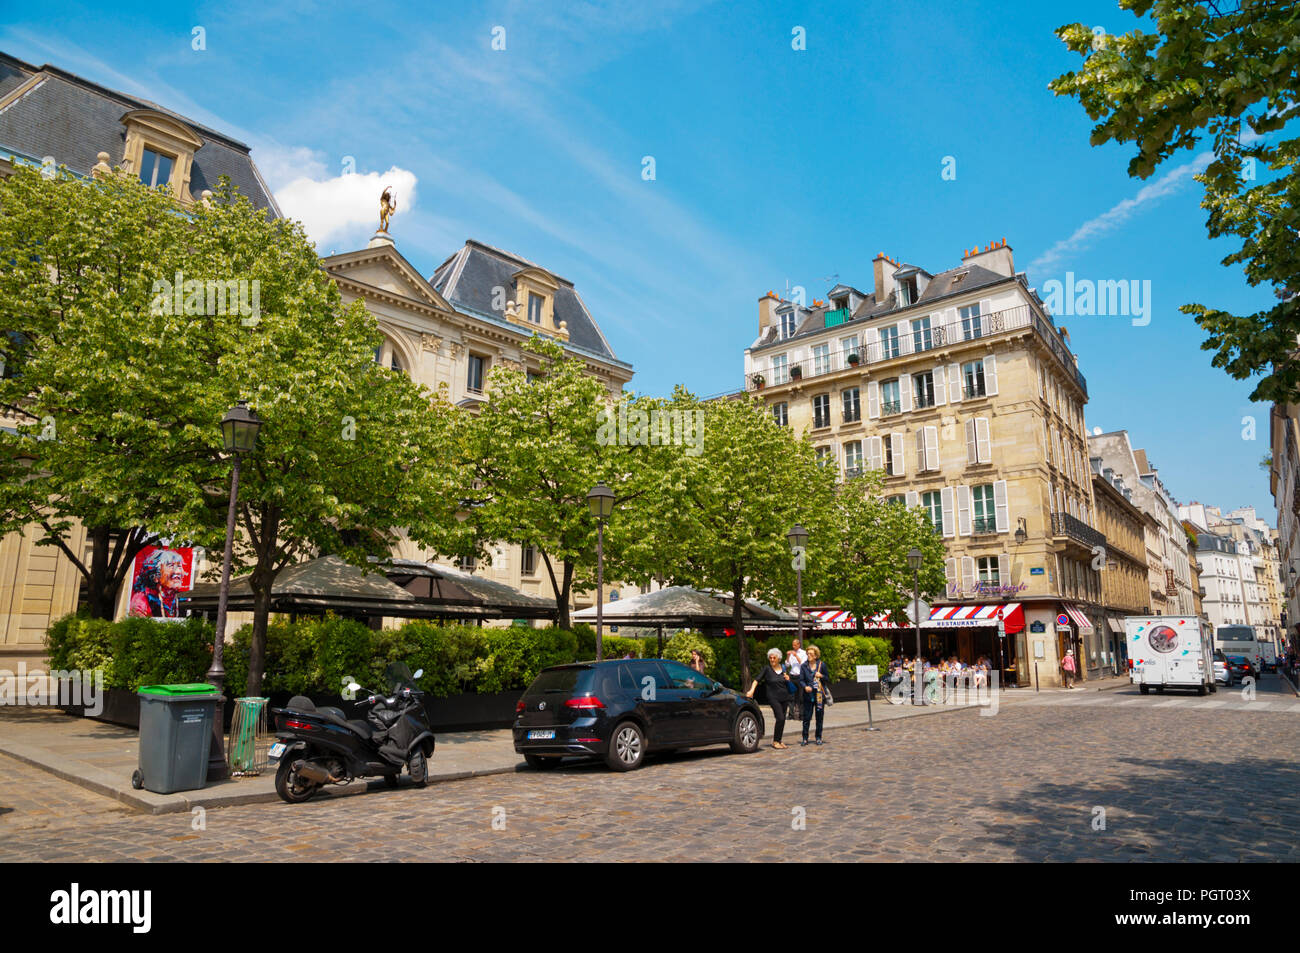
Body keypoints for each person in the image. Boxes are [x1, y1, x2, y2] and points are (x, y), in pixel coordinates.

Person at [747, 648, 793, 749]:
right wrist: (751, 690)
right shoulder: (767, 669)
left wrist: (788, 679)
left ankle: (779, 740)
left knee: (782, 720)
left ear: (779, 659)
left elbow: (788, 682)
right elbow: (756, 680)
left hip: (784, 697)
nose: (772, 660)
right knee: (780, 717)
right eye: (770, 658)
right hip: (773, 697)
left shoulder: (784, 668)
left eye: (774, 658)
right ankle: (775, 741)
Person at [130, 548, 186, 618]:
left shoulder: (182, 598)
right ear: (155, 576)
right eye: (171, 566)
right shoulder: (141, 600)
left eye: (179, 566)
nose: (178, 572)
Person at [798, 644, 831, 745]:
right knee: (806, 717)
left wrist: (821, 675)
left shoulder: (822, 665)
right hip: (808, 695)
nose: (808, 655)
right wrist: (805, 687)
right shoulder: (804, 666)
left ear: (816, 655)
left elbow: (827, 679)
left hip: (819, 695)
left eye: (811, 654)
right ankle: (805, 738)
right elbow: (801, 680)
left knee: (819, 717)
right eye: (807, 653)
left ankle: (818, 737)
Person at [784, 638, 808, 718]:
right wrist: (788, 656)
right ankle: (791, 714)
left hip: (800, 676)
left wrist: (796, 655)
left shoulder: (803, 653)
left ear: (798, 645)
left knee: (801, 696)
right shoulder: (791, 653)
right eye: (792, 645)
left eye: (795, 645)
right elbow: (787, 665)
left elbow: (803, 664)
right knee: (791, 696)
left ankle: (801, 714)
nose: (793, 646)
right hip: (792, 676)